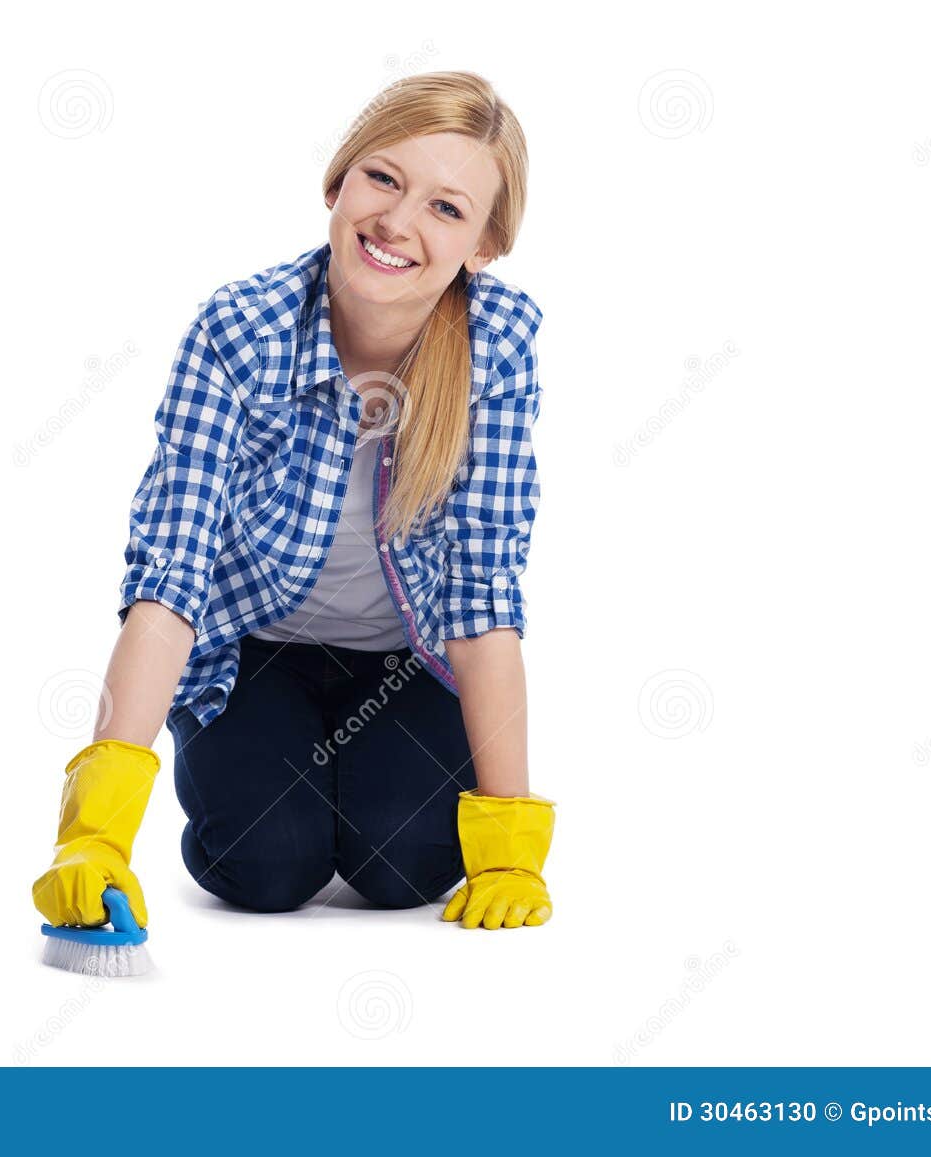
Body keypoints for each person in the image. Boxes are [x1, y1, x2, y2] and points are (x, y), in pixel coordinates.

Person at [32, 70, 556, 934]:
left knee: (405, 863)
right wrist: (94, 830)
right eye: (383, 179)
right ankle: (275, 808)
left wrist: (509, 846)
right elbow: (173, 577)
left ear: (485, 246)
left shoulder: (497, 347)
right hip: (255, 653)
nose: (397, 222)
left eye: (446, 208)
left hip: (407, 660)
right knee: (267, 863)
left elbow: (482, 595)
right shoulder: (241, 329)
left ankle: (386, 812)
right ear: (338, 181)